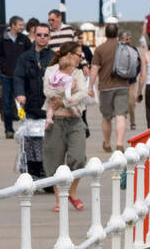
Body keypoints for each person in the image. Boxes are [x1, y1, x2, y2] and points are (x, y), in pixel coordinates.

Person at [42, 43, 89, 210]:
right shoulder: (51, 70)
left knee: (79, 158)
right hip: (55, 121)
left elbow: (83, 92)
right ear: (69, 55)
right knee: (54, 161)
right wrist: (68, 89)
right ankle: (59, 200)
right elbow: (48, 91)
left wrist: (63, 101)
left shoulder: (78, 73)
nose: (81, 58)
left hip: (75, 120)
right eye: (79, 55)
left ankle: (71, 192)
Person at [14, 22, 55, 183]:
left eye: (45, 35)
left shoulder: (53, 56)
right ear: (34, 35)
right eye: (39, 35)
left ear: (49, 37)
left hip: (48, 106)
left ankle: (47, 172)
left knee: (47, 142)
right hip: (30, 105)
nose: (42, 38)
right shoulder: (25, 57)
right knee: (30, 142)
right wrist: (20, 94)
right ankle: (31, 172)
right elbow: (18, 77)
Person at [89, 22, 133, 153]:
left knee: (107, 117)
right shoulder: (125, 47)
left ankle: (107, 143)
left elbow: (94, 69)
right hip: (123, 85)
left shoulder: (100, 49)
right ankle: (119, 143)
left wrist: (91, 86)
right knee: (121, 116)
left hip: (105, 87)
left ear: (105, 33)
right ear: (117, 33)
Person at [0, 15, 31, 138]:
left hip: (21, 77)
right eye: (20, 24)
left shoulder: (24, 39)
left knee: (23, 104)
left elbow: (30, 55)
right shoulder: (2, 39)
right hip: (6, 77)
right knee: (7, 105)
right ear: (13, 25)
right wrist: (1, 69)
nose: (22, 27)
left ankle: (25, 127)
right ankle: (8, 129)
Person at [119, 29, 141, 130]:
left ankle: (132, 121)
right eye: (126, 39)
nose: (128, 40)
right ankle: (123, 116)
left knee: (131, 102)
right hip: (120, 81)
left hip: (131, 81)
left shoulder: (134, 50)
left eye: (130, 38)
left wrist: (135, 73)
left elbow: (139, 64)